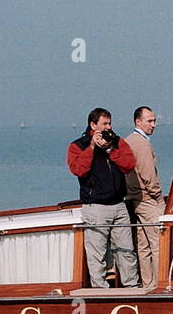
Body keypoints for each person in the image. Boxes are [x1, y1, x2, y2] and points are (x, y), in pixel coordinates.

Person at [66, 108, 141, 289]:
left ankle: (132, 286)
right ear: (93, 125)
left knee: (126, 250)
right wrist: (92, 147)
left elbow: (129, 164)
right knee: (96, 252)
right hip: (95, 207)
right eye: (104, 124)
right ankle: (100, 289)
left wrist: (109, 150)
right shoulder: (78, 146)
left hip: (119, 204)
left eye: (110, 123)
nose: (108, 127)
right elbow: (78, 169)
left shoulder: (117, 141)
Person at [123, 106, 165, 290]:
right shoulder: (141, 143)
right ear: (138, 121)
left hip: (134, 198)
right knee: (157, 243)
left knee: (143, 244)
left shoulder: (129, 141)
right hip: (148, 199)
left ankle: (148, 283)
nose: (153, 125)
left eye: (154, 120)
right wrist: (158, 196)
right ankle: (158, 283)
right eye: (149, 121)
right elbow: (148, 174)